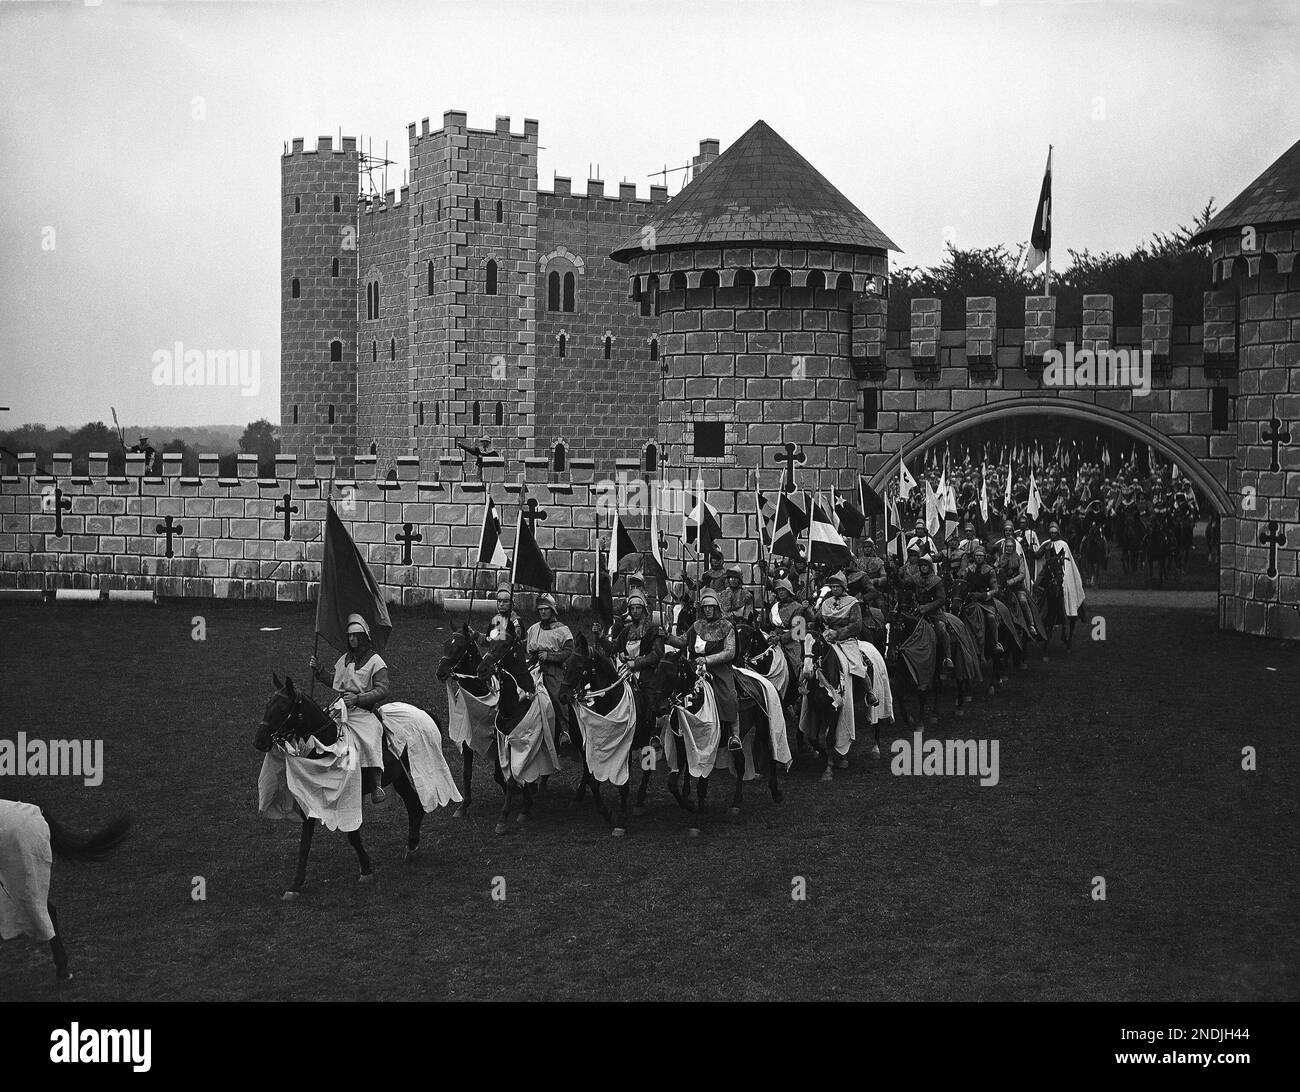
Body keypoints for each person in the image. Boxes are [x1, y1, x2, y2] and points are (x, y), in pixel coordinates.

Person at [308, 613, 389, 804]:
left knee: (370, 737)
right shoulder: (345, 659)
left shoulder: (376, 661)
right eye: (350, 636)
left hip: (364, 712)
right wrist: (319, 670)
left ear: (363, 637)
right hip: (342, 708)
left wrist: (359, 698)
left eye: (355, 636)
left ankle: (376, 784)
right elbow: (336, 682)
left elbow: (383, 689)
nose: (352, 639)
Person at [664, 588, 741, 752]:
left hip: (718, 670)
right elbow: (682, 641)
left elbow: (730, 652)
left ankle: (734, 735)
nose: (707, 610)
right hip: (694, 668)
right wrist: (667, 637)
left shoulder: (727, 627)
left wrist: (707, 660)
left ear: (717, 608)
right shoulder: (696, 625)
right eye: (705, 607)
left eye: (711, 606)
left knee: (729, 697)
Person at [527, 593, 575, 744]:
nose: (542, 612)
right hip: (534, 666)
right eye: (540, 609)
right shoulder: (533, 629)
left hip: (554, 669)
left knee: (556, 696)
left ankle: (565, 731)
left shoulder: (563, 630)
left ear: (552, 610)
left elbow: (569, 652)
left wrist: (550, 656)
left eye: (546, 609)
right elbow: (525, 645)